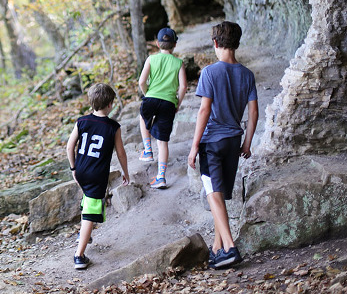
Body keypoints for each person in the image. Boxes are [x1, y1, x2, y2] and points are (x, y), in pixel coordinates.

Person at [187, 21, 258, 269]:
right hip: (233, 141)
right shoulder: (247, 74)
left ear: (215, 44)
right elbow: (254, 112)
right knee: (219, 195)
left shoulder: (209, 72)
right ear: (236, 44)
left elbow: (204, 110)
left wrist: (195, 145)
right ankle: (217, 248)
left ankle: (230, 247)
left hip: (212, 142)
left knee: (212, 195)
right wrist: (247, 142)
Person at [66, 83, 130, 270]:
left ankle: (83, 235)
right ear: (110, 104)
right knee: (90, 214)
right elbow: (121, 153)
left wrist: (73, 168)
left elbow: (70, 147)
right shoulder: (113, 127)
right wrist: (126, 172)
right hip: (97, 174)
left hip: (81, 169)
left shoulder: (82, 121)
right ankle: (79, 256)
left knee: (88, 201)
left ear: (92, 103)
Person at [138, 27, 187, 189]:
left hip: (151, 98)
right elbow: (183, 87)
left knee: (142, 117)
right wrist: (177, 104)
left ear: (158, 44)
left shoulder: (151, 59)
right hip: (168, 103)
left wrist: (147, 94)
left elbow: (141, 82)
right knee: (163, 142)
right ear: (174, 45)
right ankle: (161, 177)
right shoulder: (179, 63)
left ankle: (147, 150)